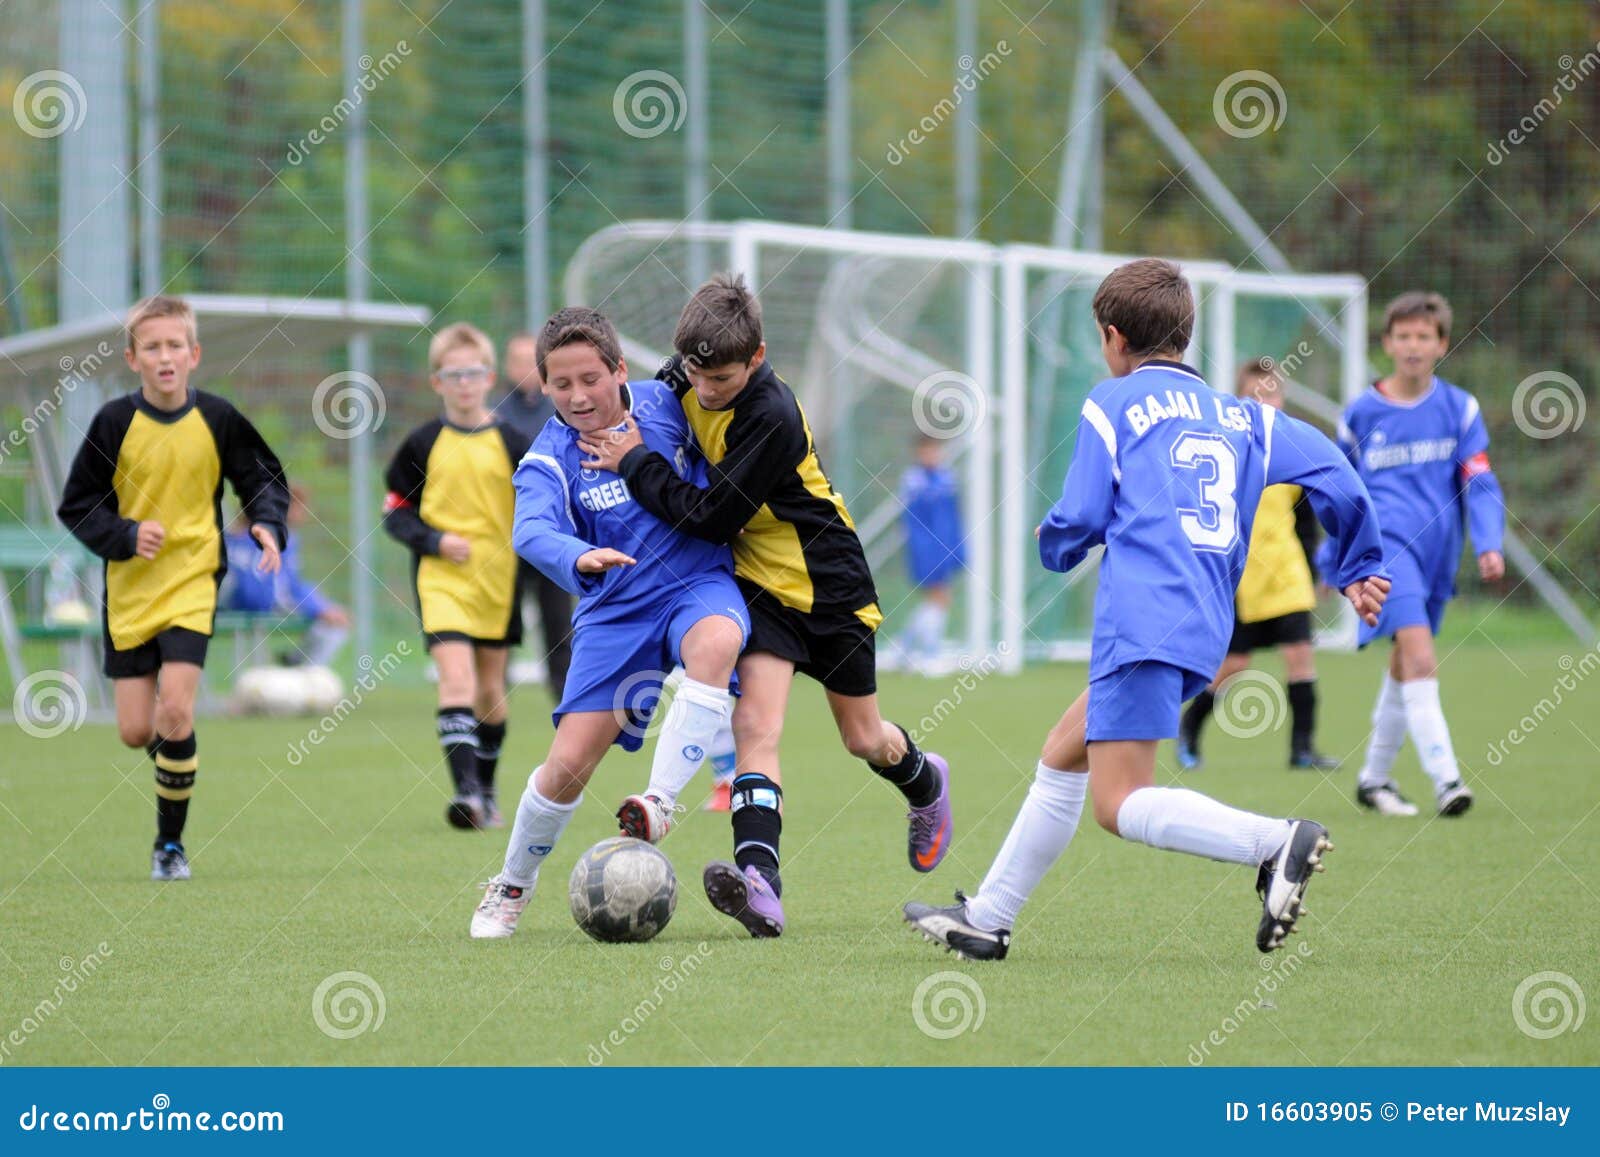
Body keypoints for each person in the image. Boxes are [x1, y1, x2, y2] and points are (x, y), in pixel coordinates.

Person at [903, 259, 1390, 960]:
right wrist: (1358, 564)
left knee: (1118, 802)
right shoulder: (1248, 416)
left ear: (1112, 337)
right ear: (1186, 334)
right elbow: (1338, 474)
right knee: (1061, 754)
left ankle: (1276, 841)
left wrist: (1057, 542)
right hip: (1202, 618)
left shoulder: (1114, 400)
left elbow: (1082, 512)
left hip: (1143, 618)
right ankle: (988, 913)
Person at [582, 273, 954, 940]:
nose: (704, 390)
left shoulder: (772, 417)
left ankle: (926, 783)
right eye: (696, 376)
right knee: (756, 726)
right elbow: (646, 411)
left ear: (755, 358)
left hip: (829, 581)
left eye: (720, 380)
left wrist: (634, 461)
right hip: (758, 583)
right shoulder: (686, 372)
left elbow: (706, 515)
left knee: (862, 738)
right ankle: (762, 884)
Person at [470, 307, 747, 939]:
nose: (577, 396)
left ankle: (660, 802)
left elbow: (730, 404)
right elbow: (531, 530)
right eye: (561, 385)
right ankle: (513, 882)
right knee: (566, 766)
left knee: (720, 638)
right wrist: (577, 555)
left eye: (590, 379)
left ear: (619, 369)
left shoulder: (671, 404)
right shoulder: (548, 456)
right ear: (543, 385)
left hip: (696, 583)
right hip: (615, 610)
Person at [57, 294, 289, 881]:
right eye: (152, 347)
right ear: (133, 358)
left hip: (192, 580)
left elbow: (258, 477)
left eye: (175, 346)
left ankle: (169, 847)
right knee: (138, 731)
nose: (165, 357)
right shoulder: (114, 422)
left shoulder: (218, 417)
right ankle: (174, 767)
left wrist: (266, 525)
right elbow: (78, 505)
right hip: (131, 590)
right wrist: (125, 534)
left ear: (194, 354)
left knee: (176, 713)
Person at [1337, 291, 1505, 818]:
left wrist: (1489, 540)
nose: (1413, 345)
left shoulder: (1459, 408)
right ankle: (1448, 780)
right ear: (1387, 343)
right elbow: (1338, 493)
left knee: (1404, 661)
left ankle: (1373, 778)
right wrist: (1334, 563)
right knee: (1422, 653)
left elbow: (1479, 480)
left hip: (1439, 556)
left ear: (1441, 345)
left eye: (1423, 337)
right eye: (1403, 336)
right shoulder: (1360, 414)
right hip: (1385, 553)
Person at [384, 322, 528, 831]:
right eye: (453, 374)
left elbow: (539, 508)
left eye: (472, 373)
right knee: (457, 678)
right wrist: (435, 541)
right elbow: (395, 513)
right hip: (441, 580)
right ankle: (465, 795)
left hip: (498, 582)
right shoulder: (421, 444)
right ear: (436, 382)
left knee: (491, 689)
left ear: (489, 377)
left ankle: (487, 790)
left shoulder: (514, 442)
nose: (464, 383)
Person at [1178, 359, 1338, 771]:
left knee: (1300, 655)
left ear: (1282, 398)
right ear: (1239, 401)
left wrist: (1318, 572)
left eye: (1271, 392)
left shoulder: (1294, 452)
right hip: (1242, 579)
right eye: (1254, 393)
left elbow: (1307, 523)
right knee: (1233, 666)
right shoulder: (1227, 450)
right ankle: (1189, 729)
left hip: (1287, 576)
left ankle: (1302, 750)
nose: (1264, 399)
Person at [493, 332, 574, 702]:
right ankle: (493, 696)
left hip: (553, 534)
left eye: (531, 360)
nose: (524, 368)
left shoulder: (559, 411)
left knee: (558, 623)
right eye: (518, 360)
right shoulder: (493, 414)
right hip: (504, 538)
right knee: (500, 623)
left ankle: (567, 698)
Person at [220, 484, 350, 668]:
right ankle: (302, 676)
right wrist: (320, 609)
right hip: (259, 606)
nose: (304, 513)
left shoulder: (244, 536)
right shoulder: (269, 538)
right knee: (333, 627)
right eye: (299, 506)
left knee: (328, 619)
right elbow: (282, 592)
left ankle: (296, 665)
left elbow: (289, 585)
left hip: (236, 605)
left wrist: (321, 605)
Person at [895, 434, 965, 673]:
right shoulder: (914, 481)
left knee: (940, 598)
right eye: (928, 451)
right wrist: (923, 551)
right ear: (919, 453)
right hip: (925, 549)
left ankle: (905, 646)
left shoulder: (947, 478)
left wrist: (957, 547)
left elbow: (953, 517)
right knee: (939, 597)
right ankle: (929, 654)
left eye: (936, 450)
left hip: (945, 547)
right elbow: (912, 522)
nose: (933, 455)